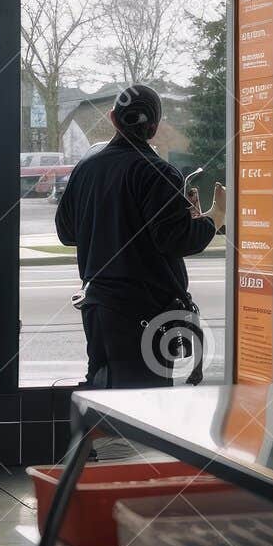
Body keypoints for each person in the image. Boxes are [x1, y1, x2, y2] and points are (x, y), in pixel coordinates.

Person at [54, 84, 228, 388]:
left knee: (101, 392)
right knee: (144, 409)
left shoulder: (86, 169)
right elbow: (176, 240)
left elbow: (67, 233)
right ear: (154, 126)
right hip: (145, 313)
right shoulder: (159, 172)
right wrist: (214, 218)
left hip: (96, 308)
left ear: (112, 118)